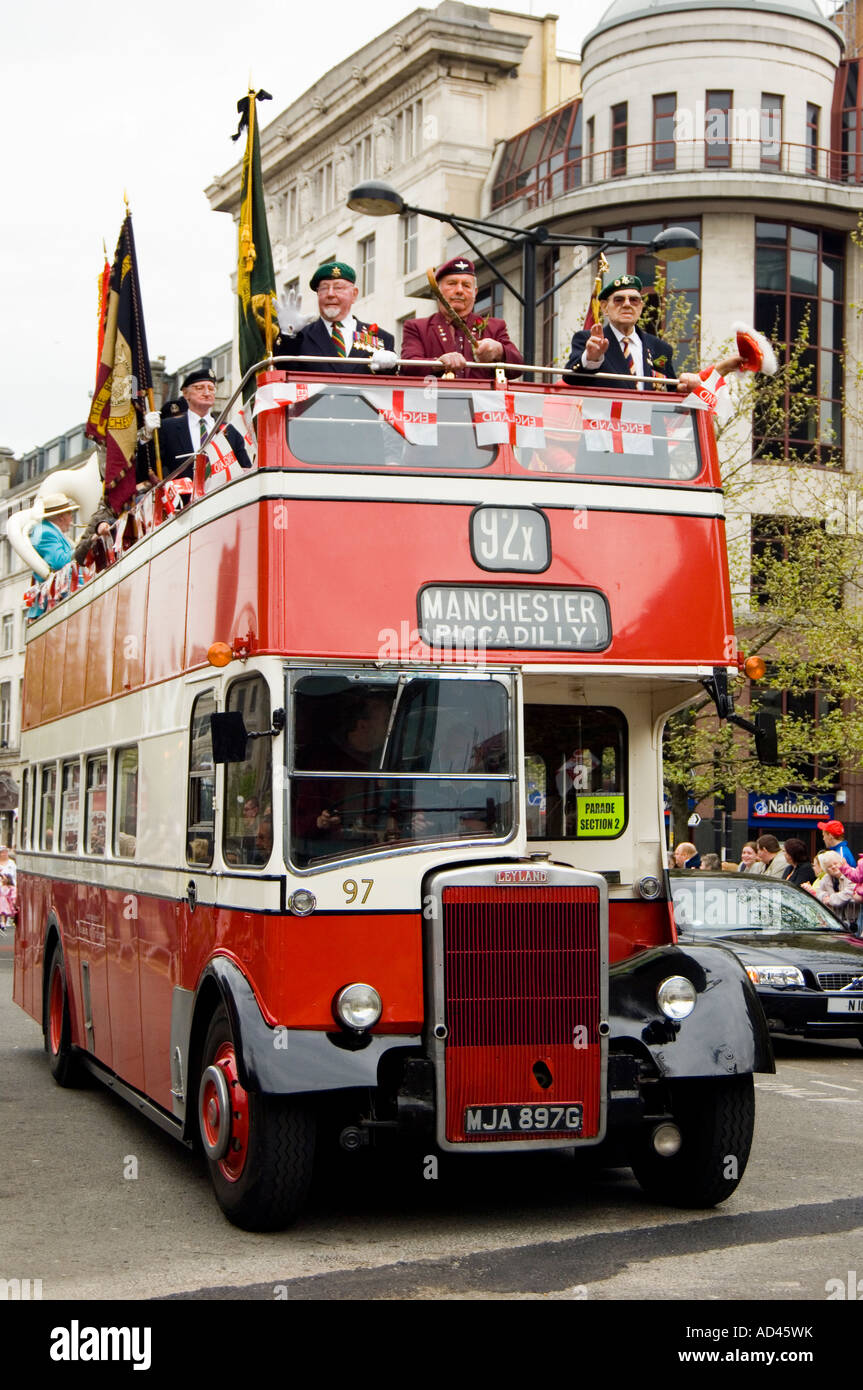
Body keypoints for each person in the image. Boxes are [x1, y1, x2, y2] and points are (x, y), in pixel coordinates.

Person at [563, 273, 701, 392]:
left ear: (640, 307)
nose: (627, 304)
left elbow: (670, 394)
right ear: (604, 307)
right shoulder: (588, 340)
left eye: (634, 300)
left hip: (648, 422)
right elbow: (571, 379)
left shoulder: (660, 349)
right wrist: (591, 358)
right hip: (605, 422)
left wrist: (686, 385)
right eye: (619, 300)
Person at [400, 256, 523, 380]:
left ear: (475, 292)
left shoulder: (495, 327)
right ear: (437, 290)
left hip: (481, 399)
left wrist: (499, 351)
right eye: (452, 284)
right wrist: (438, 363)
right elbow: (407, 367)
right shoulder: (416, 327)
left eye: (466, 285)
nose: (459, 290)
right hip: (434, 398)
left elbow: (518, 368)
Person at [273, 262, 396, 374]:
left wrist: (391, 367)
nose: (330, 294)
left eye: (338, 288)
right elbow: (284, 371)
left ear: (354, 294)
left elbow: (391, 386)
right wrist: (288, 335)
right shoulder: (300, 337)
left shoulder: (380, 338)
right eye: (324, 288)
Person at [158, 368, 252, 481]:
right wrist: (146, 435)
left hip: (223, 496)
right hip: (184, 496)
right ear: (185, 393)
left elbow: (245, 469)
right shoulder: (168, 428)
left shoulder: (229, 430)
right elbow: (151, 469)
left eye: (211, 389)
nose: (207, 393)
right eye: (199, 388)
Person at [29, 494, 78, 573]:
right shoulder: (46, 533)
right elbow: (59, 562)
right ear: (61, 517)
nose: (71, 517)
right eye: (69, 513)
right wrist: (82, 547)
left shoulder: (48, 530)